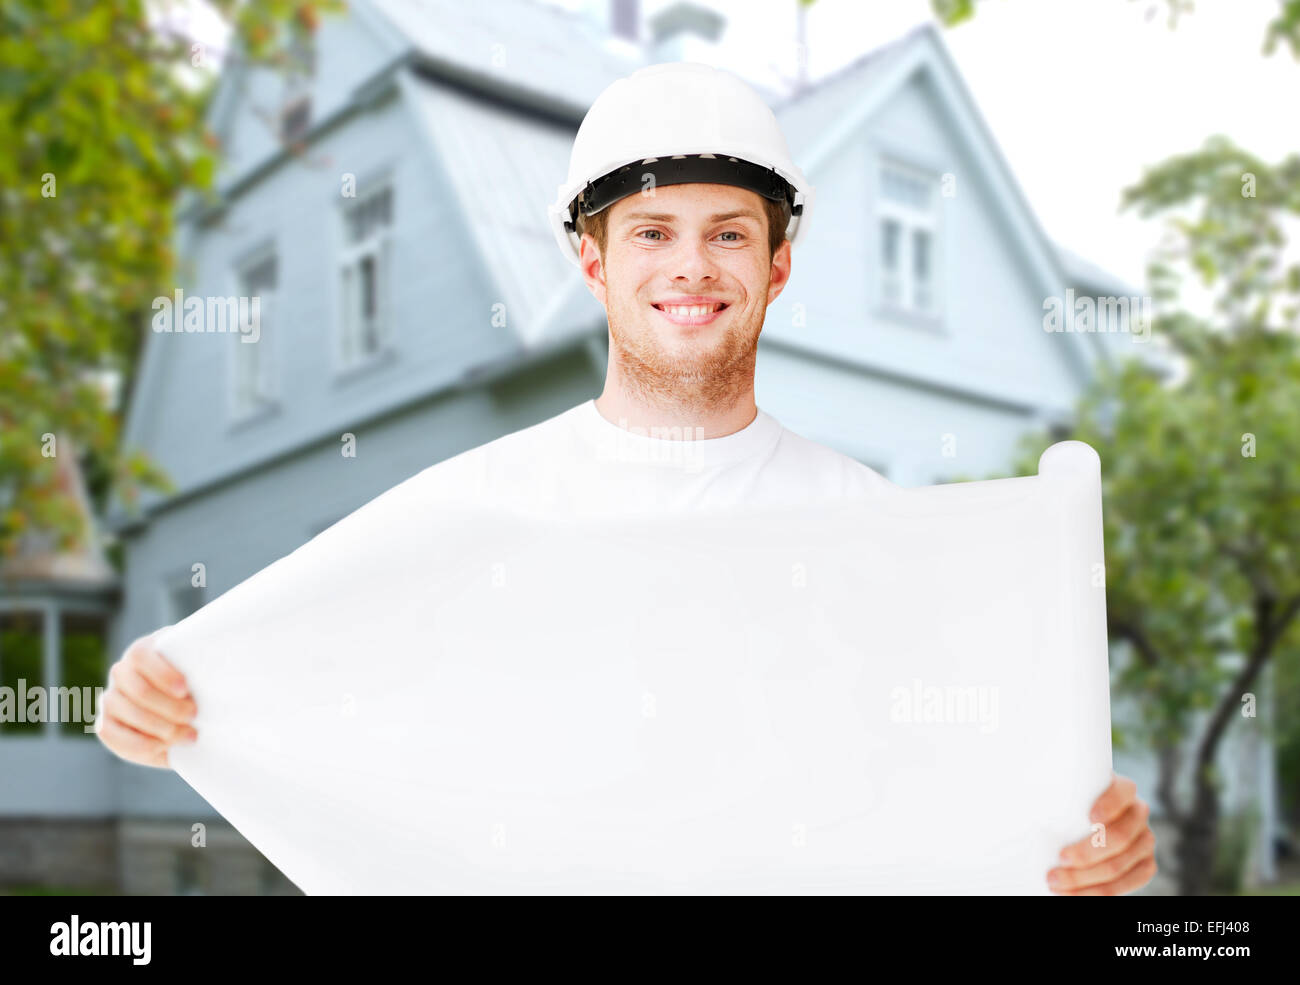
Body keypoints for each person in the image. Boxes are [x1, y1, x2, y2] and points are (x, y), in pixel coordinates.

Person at [96, 61, 1156, 896]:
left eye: (728, 234)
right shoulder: (472, 517)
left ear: (777, 266)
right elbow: (312, 679)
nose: (690, 268)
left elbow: (962, 796)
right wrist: (166, 693)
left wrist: (1078, 849)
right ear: (593, 262)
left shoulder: (873, 537)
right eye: (652, 231)